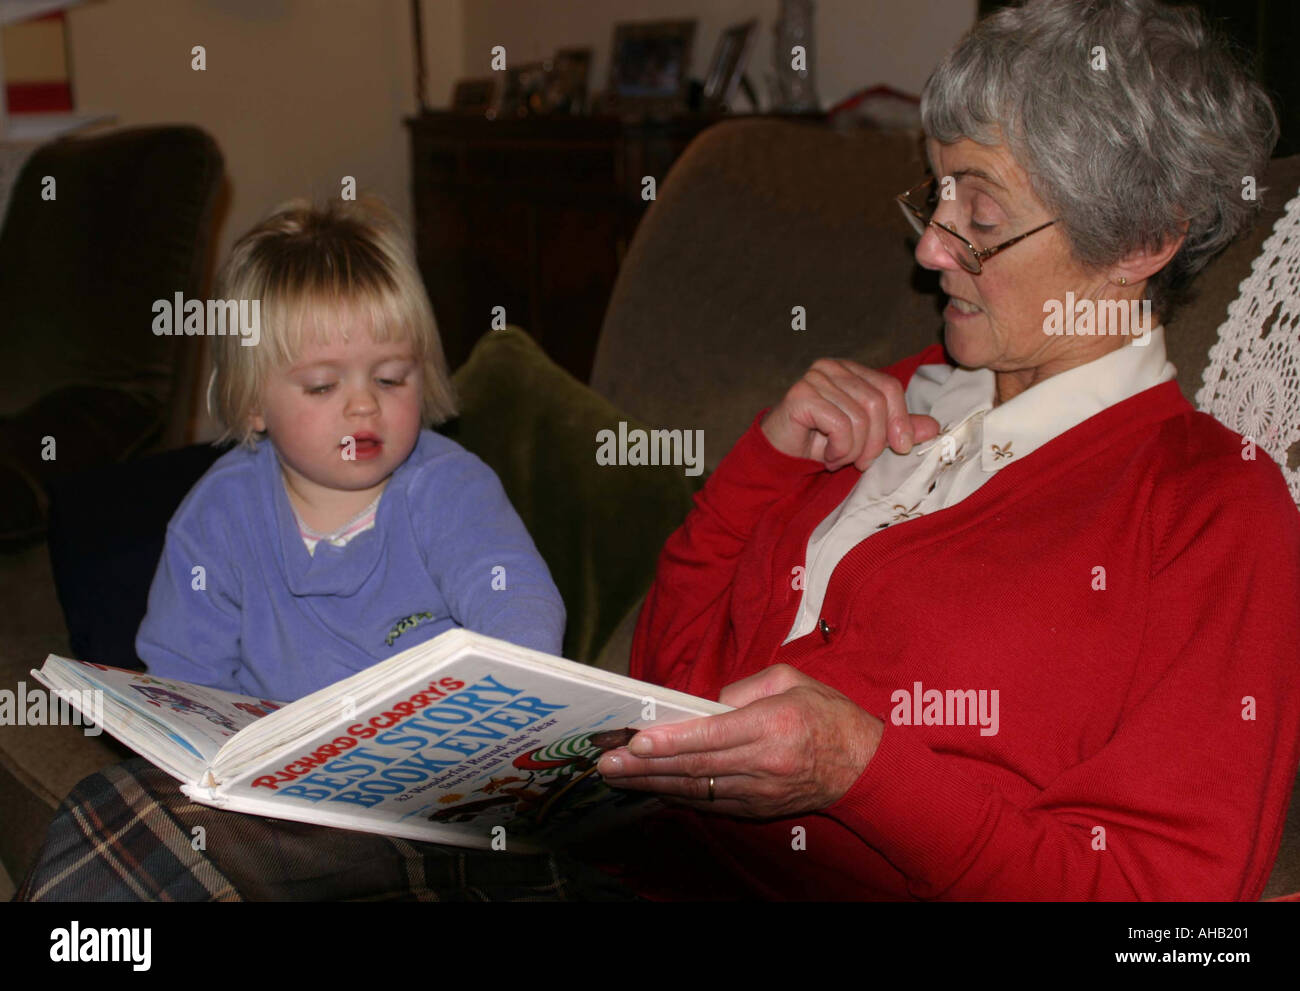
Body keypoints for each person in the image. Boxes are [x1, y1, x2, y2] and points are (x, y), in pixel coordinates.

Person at [593, 0, 1300, 900]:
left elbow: (1161, 917)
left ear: (1141, 239)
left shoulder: (1212, 509)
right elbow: (662, 684)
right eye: (936, 193)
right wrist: (762, 466)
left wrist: (859, 767)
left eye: (983, 212)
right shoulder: (878, 400)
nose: (929, 246)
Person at [137, 197, 565, 701]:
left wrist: (516, 689)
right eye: (321, 386)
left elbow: (515, 597)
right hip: (271, 765)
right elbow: (182, 678)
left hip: (435, 753)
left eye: (390, 378)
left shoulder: (450, 487)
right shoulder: (217, 518)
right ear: (253, 402)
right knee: (117, 785)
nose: (364, 405)